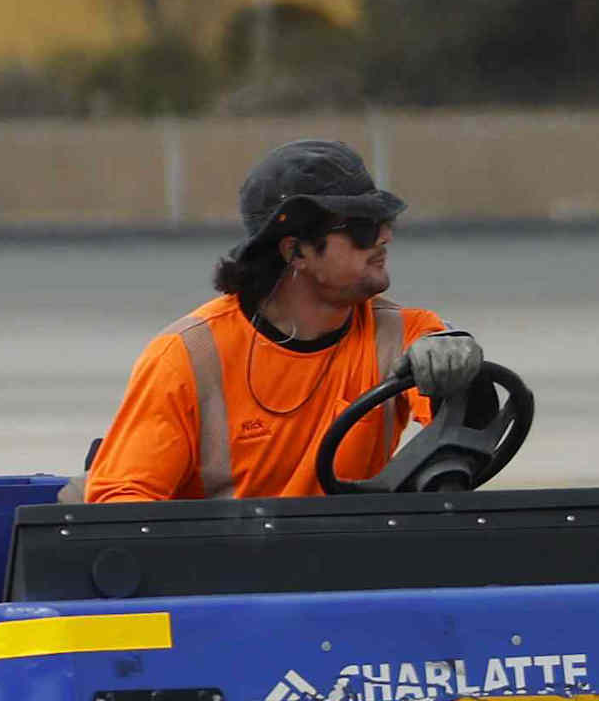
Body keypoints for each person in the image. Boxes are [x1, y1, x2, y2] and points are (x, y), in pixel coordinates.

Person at [82, 139, 485, 501]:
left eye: (384, 223)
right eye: (362, 228)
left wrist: (461, 375)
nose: (385, 238)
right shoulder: (187, 357)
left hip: (349, 556)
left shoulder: (406, 336)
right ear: (296, 252)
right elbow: (121, 504)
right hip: (228, 560)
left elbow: (469, 421)